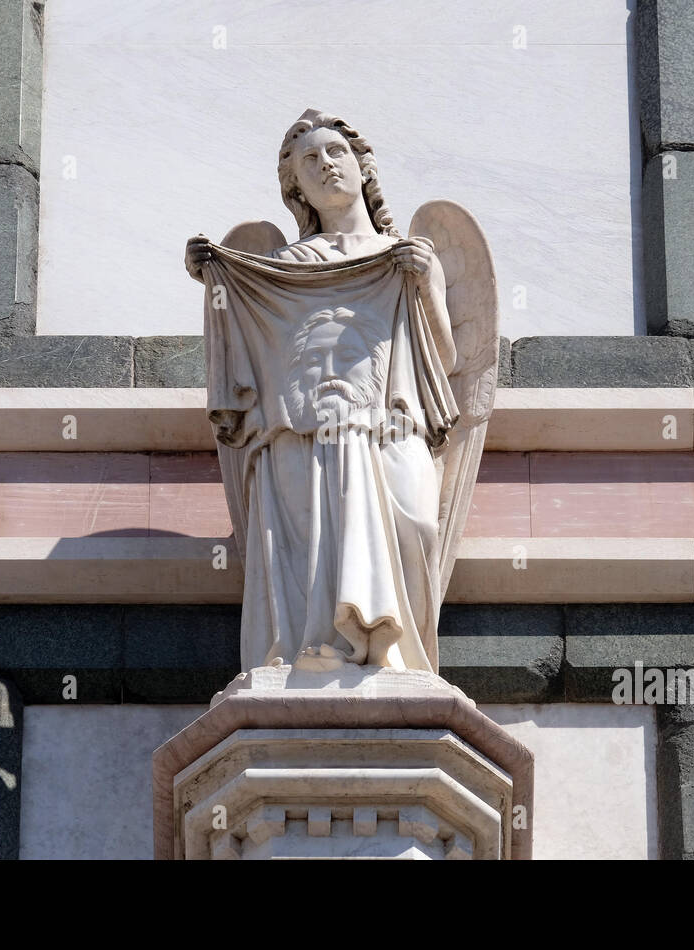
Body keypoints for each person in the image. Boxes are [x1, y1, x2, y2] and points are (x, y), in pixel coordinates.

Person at [185, 109, 460, 672]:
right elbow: (250, 349)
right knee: (305, 545)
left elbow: (445, 359)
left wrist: (424, 284)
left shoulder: (406, 257)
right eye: (309, 160)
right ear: (295, 186)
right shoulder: (281, 267)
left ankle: (402, 658)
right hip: (301, 427)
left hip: (390, 421)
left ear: (362, 167)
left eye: (335, 152)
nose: (325, 165)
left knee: (417, 523)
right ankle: (314, 650)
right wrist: (217, 279)